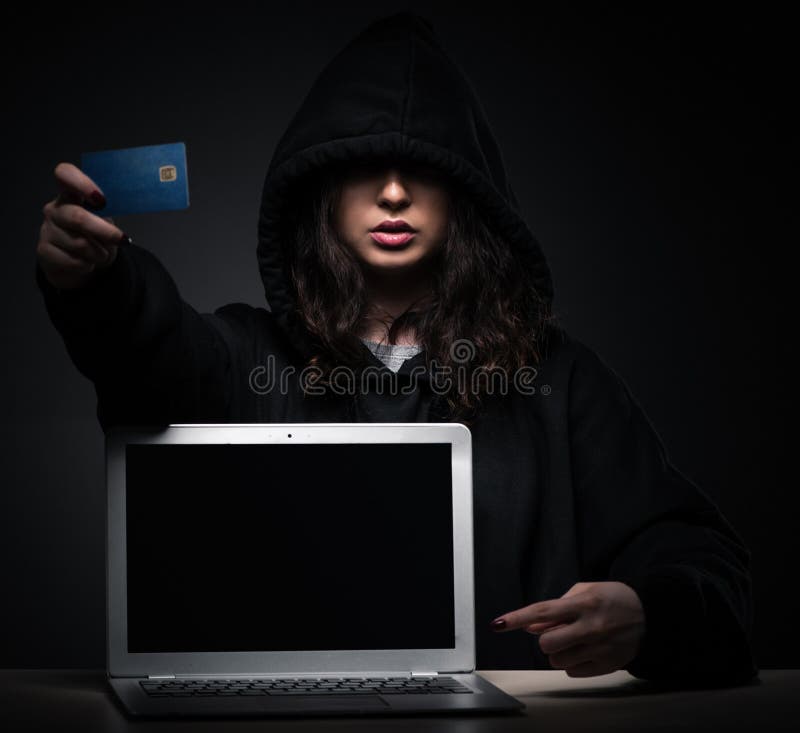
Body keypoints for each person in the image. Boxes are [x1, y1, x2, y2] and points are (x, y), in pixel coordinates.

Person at [35, 12, 757, 684]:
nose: (391, 192)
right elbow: (148, 355)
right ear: (320, 185)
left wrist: (652, 614)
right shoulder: (242, 356)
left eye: (423, 169)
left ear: (467, 196)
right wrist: (99, 281)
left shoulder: (557, 382)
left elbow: (700, 559)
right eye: (364, 164)